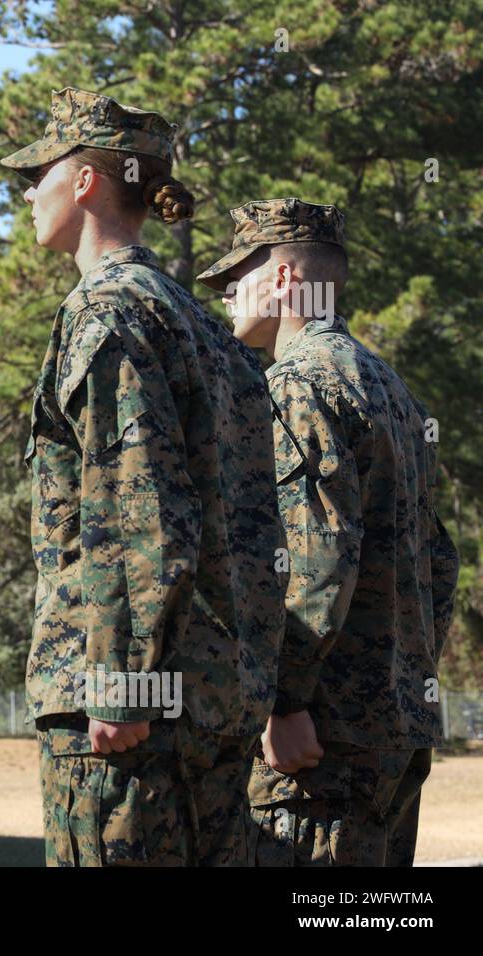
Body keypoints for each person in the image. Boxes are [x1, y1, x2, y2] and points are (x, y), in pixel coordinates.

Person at [2, 87, 285, 866]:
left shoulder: (108, 312)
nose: (29, 195)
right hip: (212, 697)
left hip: (134, 713)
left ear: (85, 180)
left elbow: (136, 510)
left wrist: (121, 680)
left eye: (40, 176)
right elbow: (259, 521)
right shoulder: (202, 325)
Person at [198, 198, 459, 866]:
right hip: (392, 726)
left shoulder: (296, 385)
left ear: (284, 280)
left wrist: (284, 702)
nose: (225, 291)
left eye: (238, 273)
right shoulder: (390, 387)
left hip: (320, 737)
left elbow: (315, 561)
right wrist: (407, 672)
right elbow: (440, 562)